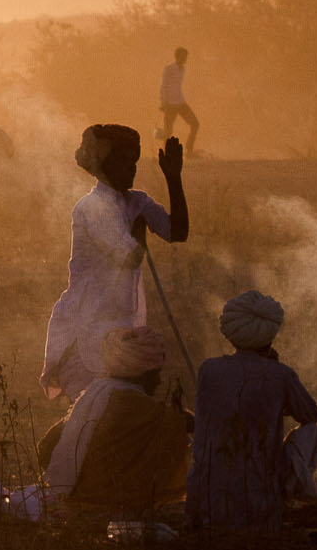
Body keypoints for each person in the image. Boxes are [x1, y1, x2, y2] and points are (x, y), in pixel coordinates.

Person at [43, 126, 190, 402]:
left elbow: (178, 232)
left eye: (134, 162)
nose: (132, 170)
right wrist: (138, 228)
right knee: (92, 410)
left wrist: (173, 178)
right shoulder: (91, 207)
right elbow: (129, 256)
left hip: (122, 324)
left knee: (119, 407)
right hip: (87, 326)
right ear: (103, 164)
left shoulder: (137, 201)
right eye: (124, 162)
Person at [187, 289, 317, 529]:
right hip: (261, 507)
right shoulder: (281, 374)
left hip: (209, 503)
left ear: (231, 334)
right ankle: (289, 492)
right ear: (271, 335)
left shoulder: (208, 369)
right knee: (312, 431)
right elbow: (311, 415)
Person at [41, 326, 192, 522]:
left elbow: (46, 446)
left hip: (72, 500)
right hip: (108, 507)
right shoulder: (134, 403)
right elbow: (185, 423)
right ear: (142, 373)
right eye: (156, 372)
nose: (159, 380)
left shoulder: (97, 392)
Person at [158, 48, 200, 153]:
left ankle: (189, 149)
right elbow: (164, 86)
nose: (186, 58)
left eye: (186, 56)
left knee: (195, 124)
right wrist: (163, 103)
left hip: (181, 102)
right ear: (178, 56)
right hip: (170, 104)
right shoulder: (169, 69)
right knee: (168, 131)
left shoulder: (183, 69)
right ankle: (166, 153)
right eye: (184, 56)